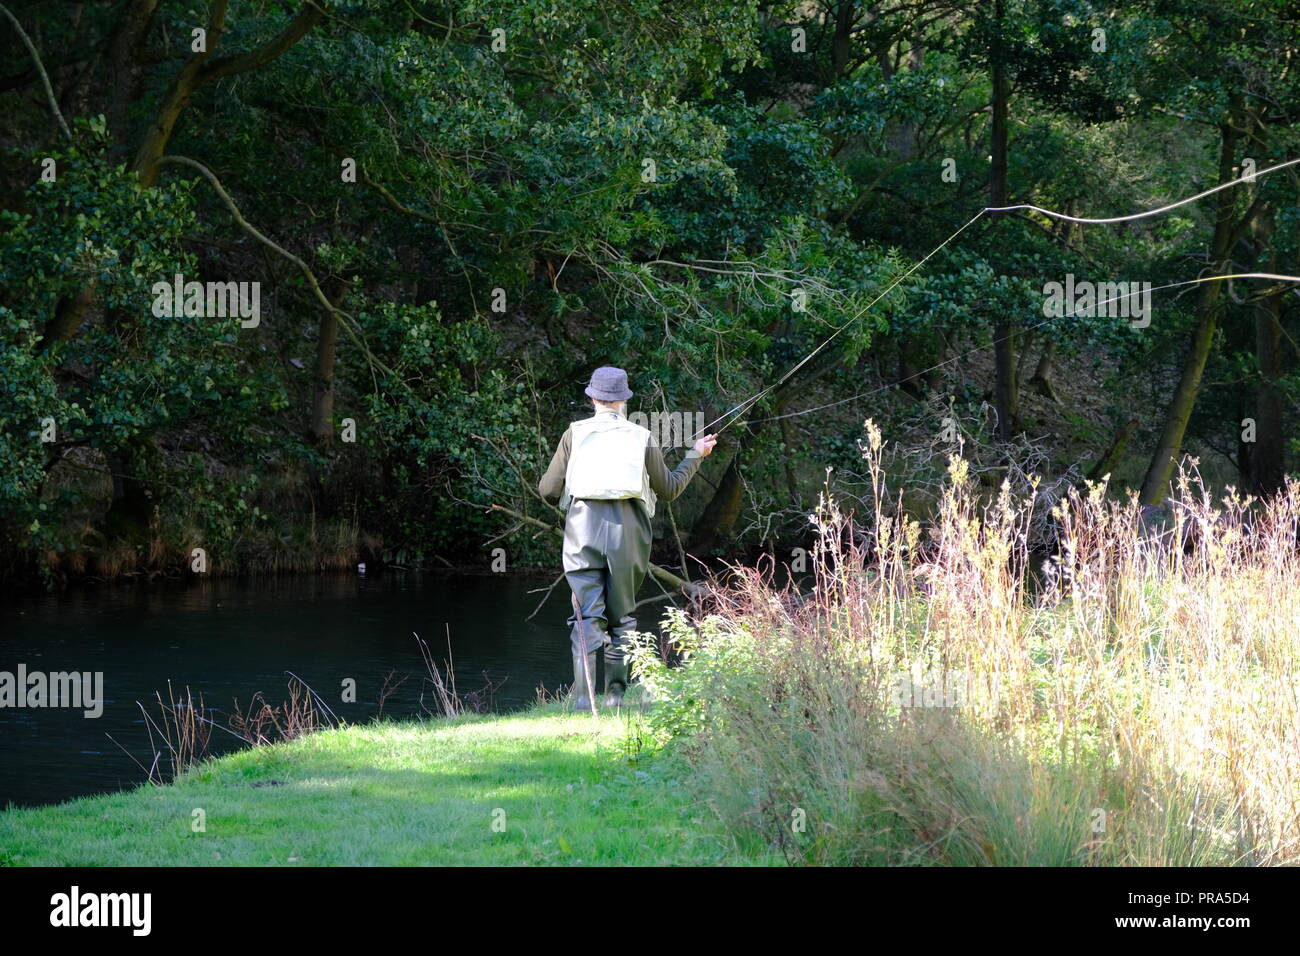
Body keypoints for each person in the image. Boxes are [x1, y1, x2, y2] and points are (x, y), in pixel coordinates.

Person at [537, 367, 716, 707]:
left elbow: (547, 489)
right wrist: (695, 455)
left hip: (582, 529)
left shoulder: (574, 433)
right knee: (621, 616)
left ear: (592, 398)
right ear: (623, 401)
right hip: (629, 531)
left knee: (586, 615)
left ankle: (583, 701)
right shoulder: (641, 436)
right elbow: (669, 489)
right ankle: (615, 699)